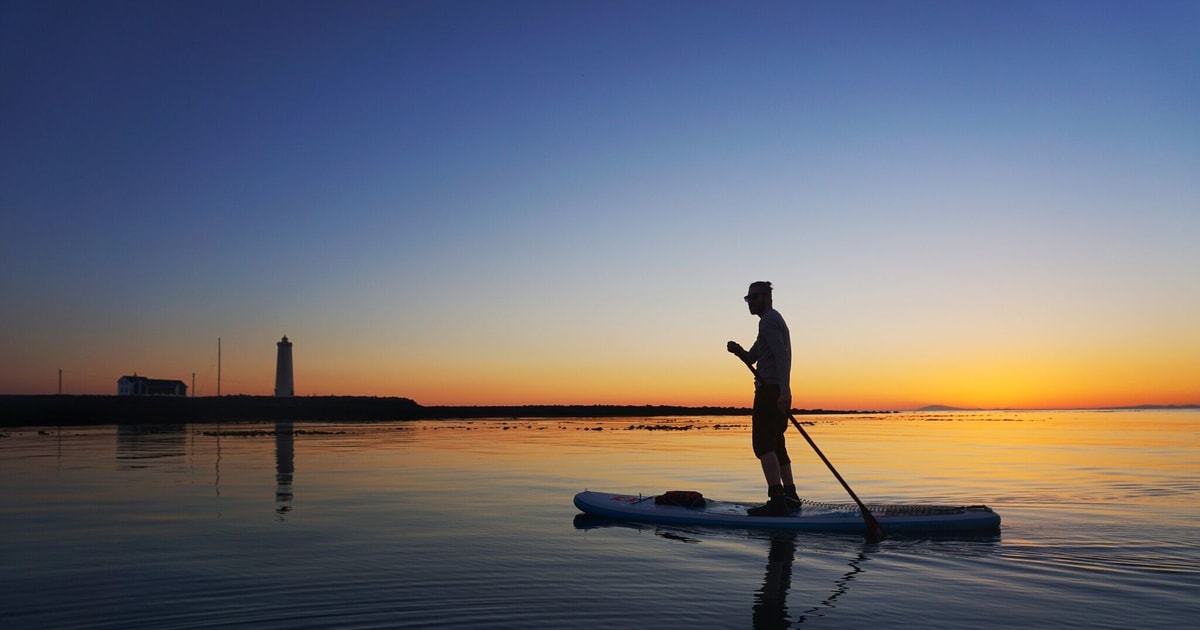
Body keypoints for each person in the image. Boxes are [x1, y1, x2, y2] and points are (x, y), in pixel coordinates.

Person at [727, 281, 801, 516]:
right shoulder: (769, 322)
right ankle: (790, 495)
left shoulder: (769, 321)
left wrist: (784, 392)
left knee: (762, 445)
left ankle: (777, 500)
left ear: (767, 298)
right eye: (748, 298)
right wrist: (739, 352)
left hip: (771, 391)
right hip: (775, 389)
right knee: (777, 444)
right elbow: (753, 357)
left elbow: (782, 357)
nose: (750, 302)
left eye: (755, 297)